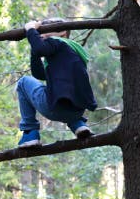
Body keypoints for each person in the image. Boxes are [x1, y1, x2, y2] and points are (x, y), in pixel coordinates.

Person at [16, 19, 97, 148]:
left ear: (63, 32)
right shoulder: (74, 53)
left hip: (53, 106)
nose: (41, 35)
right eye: (39, 32)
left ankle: (30, 133)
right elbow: (40, 74)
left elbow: (40, 49)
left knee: (23, 82)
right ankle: (78, 125)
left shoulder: (58, 43)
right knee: (67, 93)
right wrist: (35, 51)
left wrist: (31, 29)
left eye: (44, 31)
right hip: (77, 111)